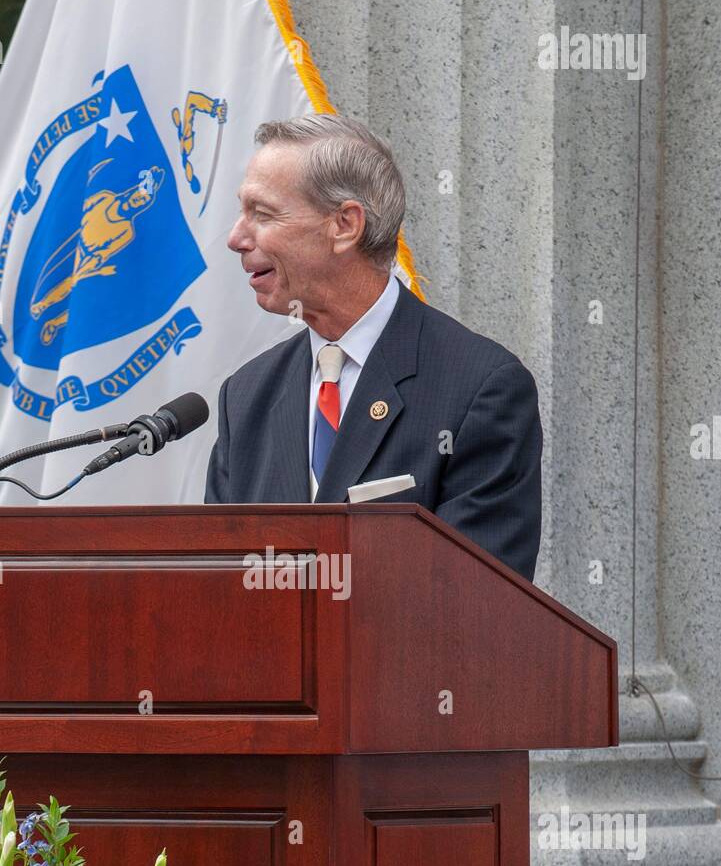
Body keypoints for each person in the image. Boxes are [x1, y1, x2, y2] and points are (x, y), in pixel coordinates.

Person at [205, 114, 543, 583]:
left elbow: (478, 604)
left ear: (345, 225)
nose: (236, 238)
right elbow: (218, 583)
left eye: (262, 214)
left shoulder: (481, 388)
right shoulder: (245, 396)